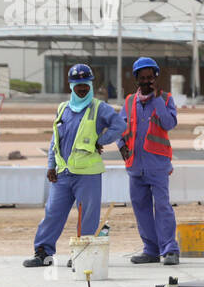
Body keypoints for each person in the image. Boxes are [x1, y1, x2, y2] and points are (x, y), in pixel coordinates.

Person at [23, 63, 126, 266]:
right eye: (78, 85)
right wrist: (51, 166)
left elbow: (120, 125)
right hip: (63, 173)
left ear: (90, 85)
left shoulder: (99, 108)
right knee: (53, 212)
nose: (82, 89)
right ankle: (43, 252)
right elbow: (55, 140)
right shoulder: (63, 109)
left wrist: (102, 140)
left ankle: (81, 255)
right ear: (71, 86)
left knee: (87, 216)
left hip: (87, 174)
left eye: (85, 84)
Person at [119, 57, 179, 265]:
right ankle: (151, 250)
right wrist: (121, 146)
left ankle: (170, 249)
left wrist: (156, 101)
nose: (146, 81)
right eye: (142, 77)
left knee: (162, 206)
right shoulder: (128, 102)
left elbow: (169, 123)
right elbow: (120, 128)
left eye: (150, 77)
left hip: (158, 166)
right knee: (141, 208)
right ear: (136, 79)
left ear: (155, 77)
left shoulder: (165, 98)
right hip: (135, 167)